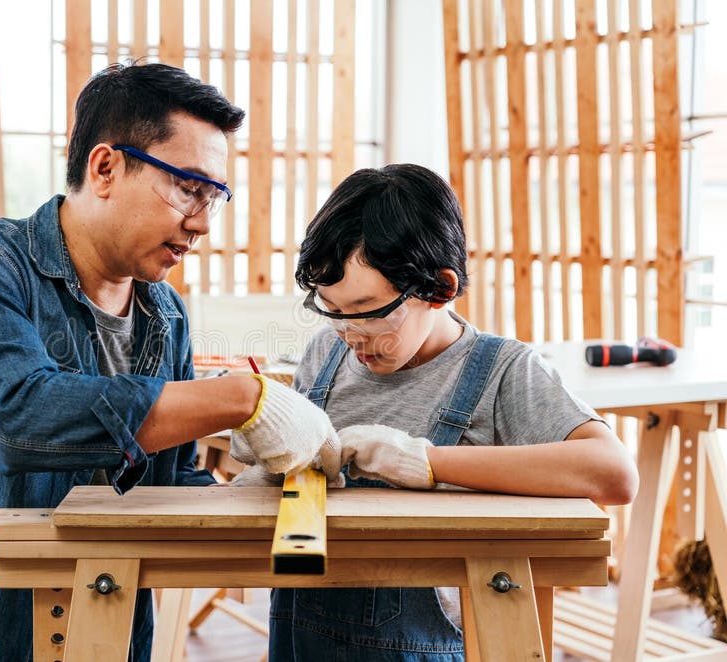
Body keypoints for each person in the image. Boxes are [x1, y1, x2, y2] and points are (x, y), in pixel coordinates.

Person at [0, 62, 340, 662]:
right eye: (188, 189)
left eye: (215, 198)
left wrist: (259, 492)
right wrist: (239, 397)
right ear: (105, 168)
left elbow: (165, 487)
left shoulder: (165, 314)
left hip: (101, 630)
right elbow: (19, 421)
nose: (202, 223)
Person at [233, 163, 639, 661]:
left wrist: (423, 463)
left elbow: (614, 475)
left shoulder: (501, 370)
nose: (350, 333)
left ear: (440, 289)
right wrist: (270, 451)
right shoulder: (326, 354)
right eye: (331, 308)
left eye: (367, 309)